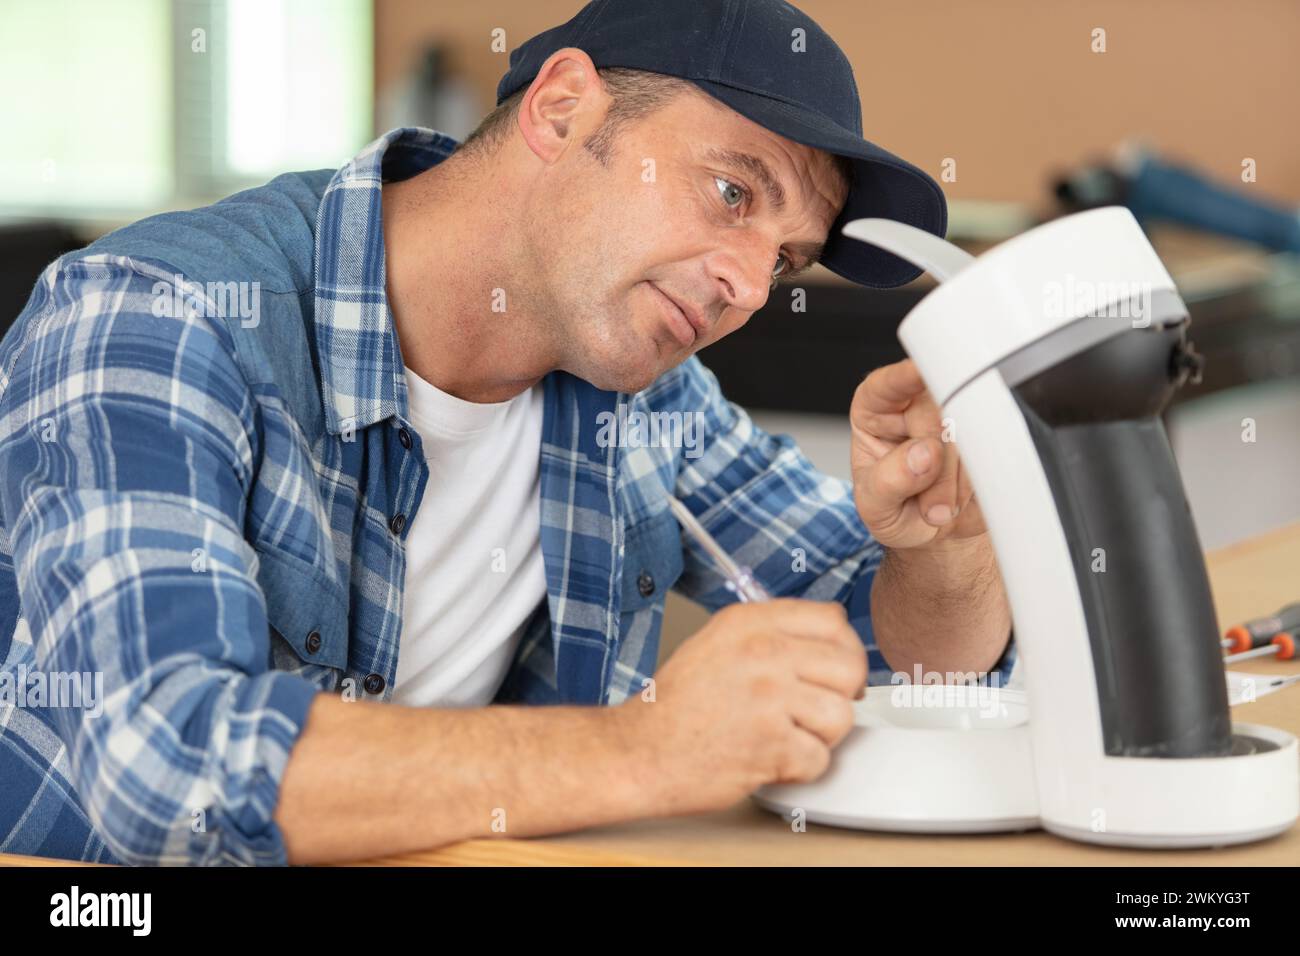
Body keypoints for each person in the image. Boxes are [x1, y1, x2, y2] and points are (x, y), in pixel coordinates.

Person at [0, 0, 1013, 866]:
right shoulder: (160, 316)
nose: (749, 286)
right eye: (732, 192)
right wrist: (642, 749)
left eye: (784, 260)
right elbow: (162, 759)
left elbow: (906, 667)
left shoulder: (641, 398)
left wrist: (944, 535)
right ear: (562, 108)